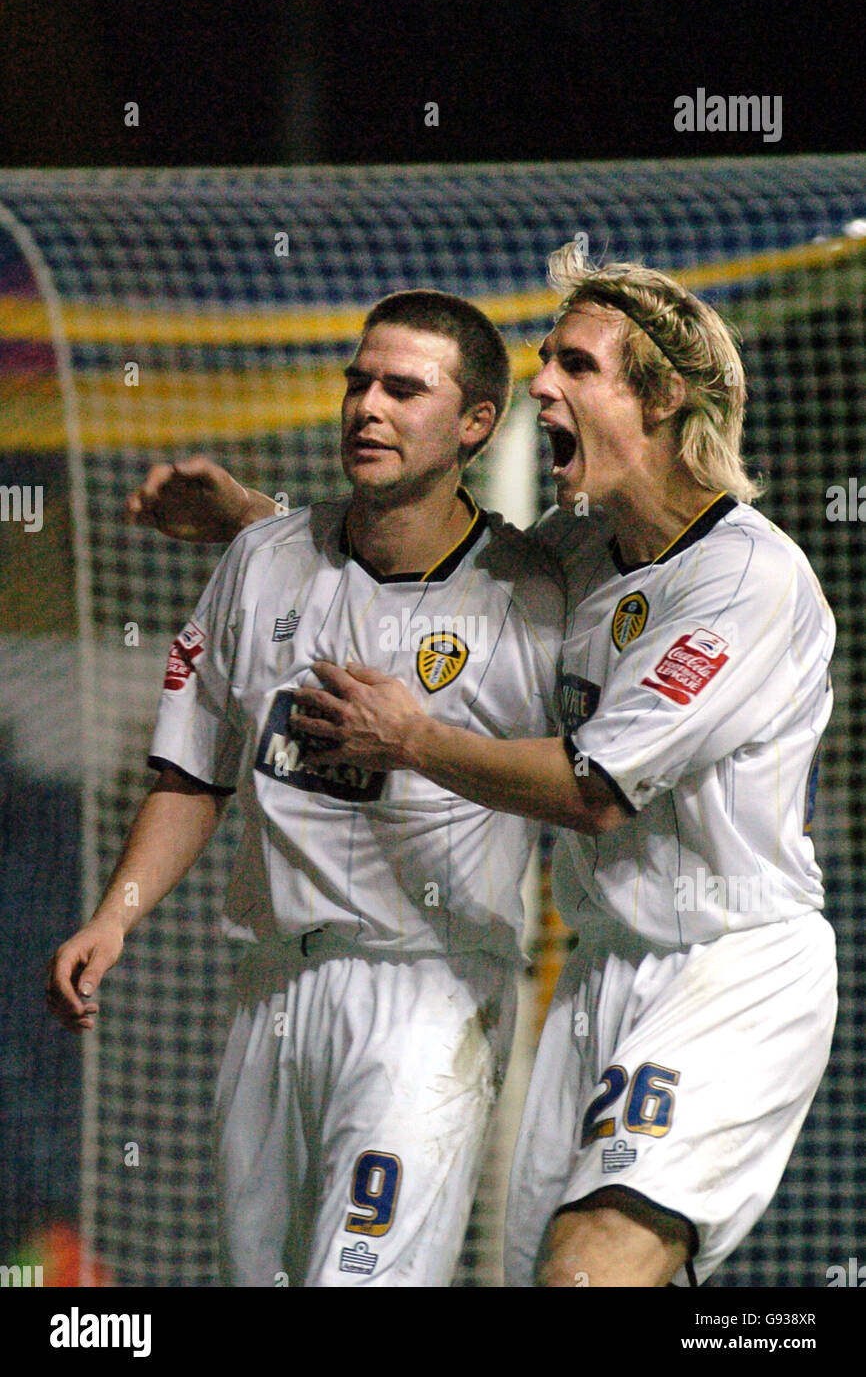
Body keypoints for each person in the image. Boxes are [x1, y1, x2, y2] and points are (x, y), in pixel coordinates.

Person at [168, 246, 837, 1288]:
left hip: (728, 965)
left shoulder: (746, 582)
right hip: (601, 969)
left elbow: (591, 792)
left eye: (575, 365)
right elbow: (421, 564)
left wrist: (413, 740)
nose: (540, 385)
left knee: (587, 1274)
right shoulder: (577, 554)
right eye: (542, 360)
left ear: (658, 400)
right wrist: (256, 520)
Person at [46, 290, 566, 1287]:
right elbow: (193, 771)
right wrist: (116, 917)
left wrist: (419, 743)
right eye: (358, 382)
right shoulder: (261, 560)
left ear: (473, 425)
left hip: (429, 993)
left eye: (403, 388)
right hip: (268, 993)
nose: (367, 406)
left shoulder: (530, 595)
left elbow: (586, 783)